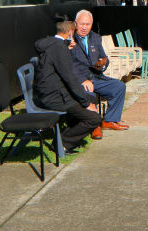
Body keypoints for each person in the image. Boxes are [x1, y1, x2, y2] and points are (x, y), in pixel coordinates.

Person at [32, 17, 103, 149]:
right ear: (70, 32)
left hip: (49, 93)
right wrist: (85, 104)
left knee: (89, 97)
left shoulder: (52, 44)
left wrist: (66, 47)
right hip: (55, 97)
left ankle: (66, 136)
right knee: (94, 118)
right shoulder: (60, 49)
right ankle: (62, 143)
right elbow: (70, 79)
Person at [70, 9, 130, 131]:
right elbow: (67, 65)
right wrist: (82, 80)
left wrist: (103, 63)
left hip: (96, 76)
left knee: (119, 86)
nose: (84, 27)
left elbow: (104, 57)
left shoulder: (95, 37)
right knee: (88, 92)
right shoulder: (69, 39)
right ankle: (94, 125)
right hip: (79, 79)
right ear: (75, 24)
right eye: (82, 24)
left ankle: (109, 120)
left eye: (88, 24)